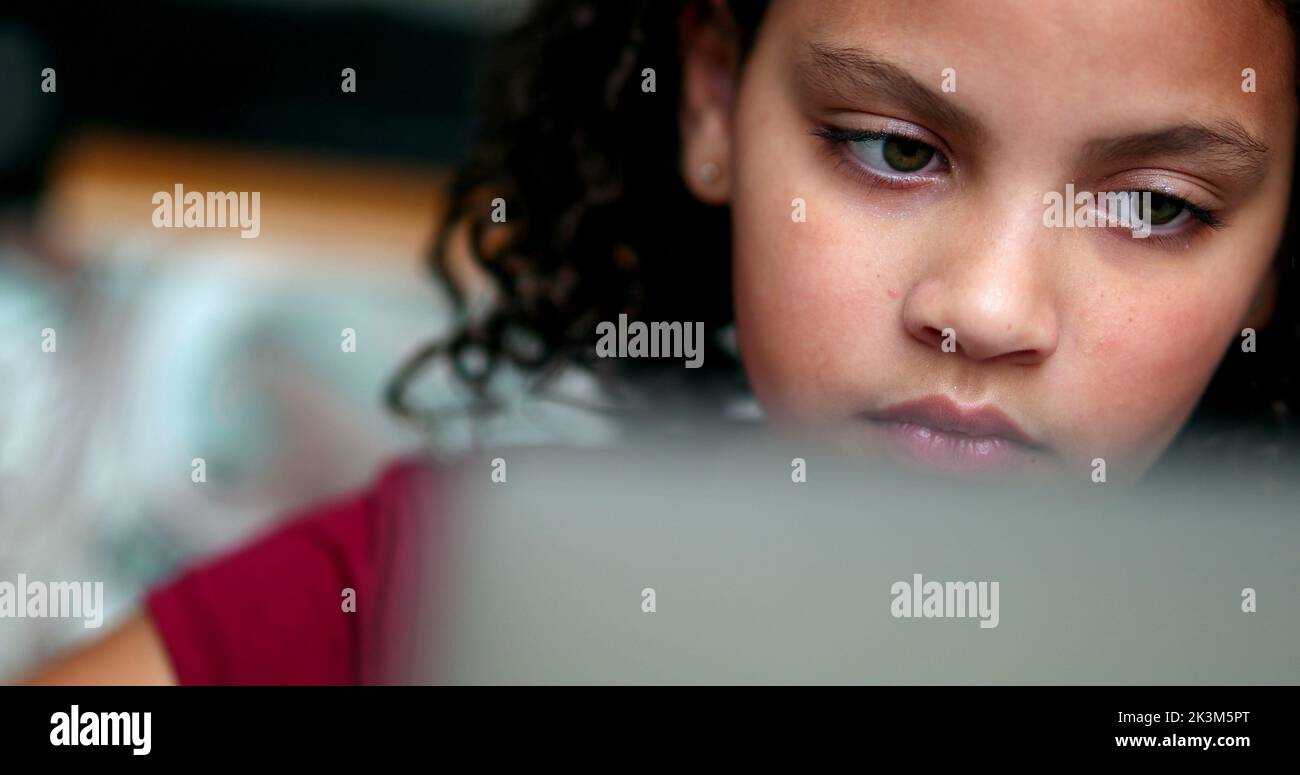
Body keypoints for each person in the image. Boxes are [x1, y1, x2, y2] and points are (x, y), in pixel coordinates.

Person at [25, 0, 1300, 684]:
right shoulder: (430, 590)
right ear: (711, 103)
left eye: (1153, 208)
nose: (988, 308)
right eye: (891, 149)